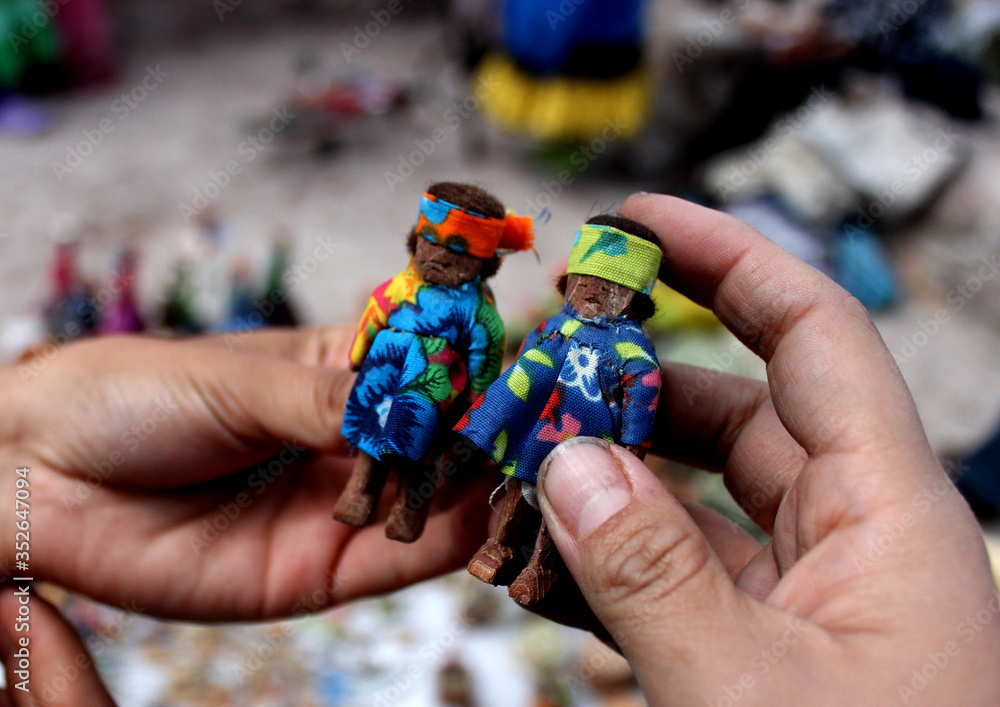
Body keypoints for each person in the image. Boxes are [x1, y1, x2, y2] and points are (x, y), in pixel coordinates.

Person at [1, 193, 997, 705]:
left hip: (569, 460)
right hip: (444, 421)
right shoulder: (485, 322)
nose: (593, 302)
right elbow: (510, 381)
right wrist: (471, 426)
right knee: (395, 465)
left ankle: (485, 543)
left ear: (631, 300)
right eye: (585, 289)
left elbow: (611, 402)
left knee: (534, 523)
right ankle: (391, 501)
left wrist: (624, 468)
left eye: (609, 294)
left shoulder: (607, 353)